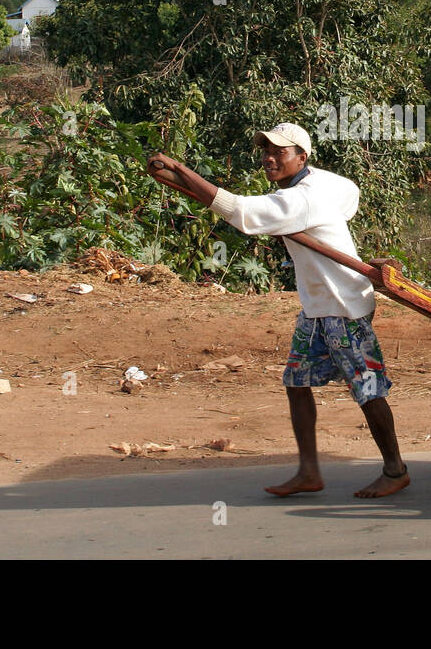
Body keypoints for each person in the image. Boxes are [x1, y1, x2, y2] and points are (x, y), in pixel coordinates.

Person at [147, 122, 409, 499]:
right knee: (296, 382)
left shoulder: (300, 200)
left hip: (343, 306)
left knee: (367, 389)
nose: (269, 158)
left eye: (279, 152)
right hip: (318, 306)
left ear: (302, 157)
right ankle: (308, 471)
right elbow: (350, 192)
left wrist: (183, 170)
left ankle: (396, 469)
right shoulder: (321, 184)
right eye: (265, 151)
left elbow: (239, 212)